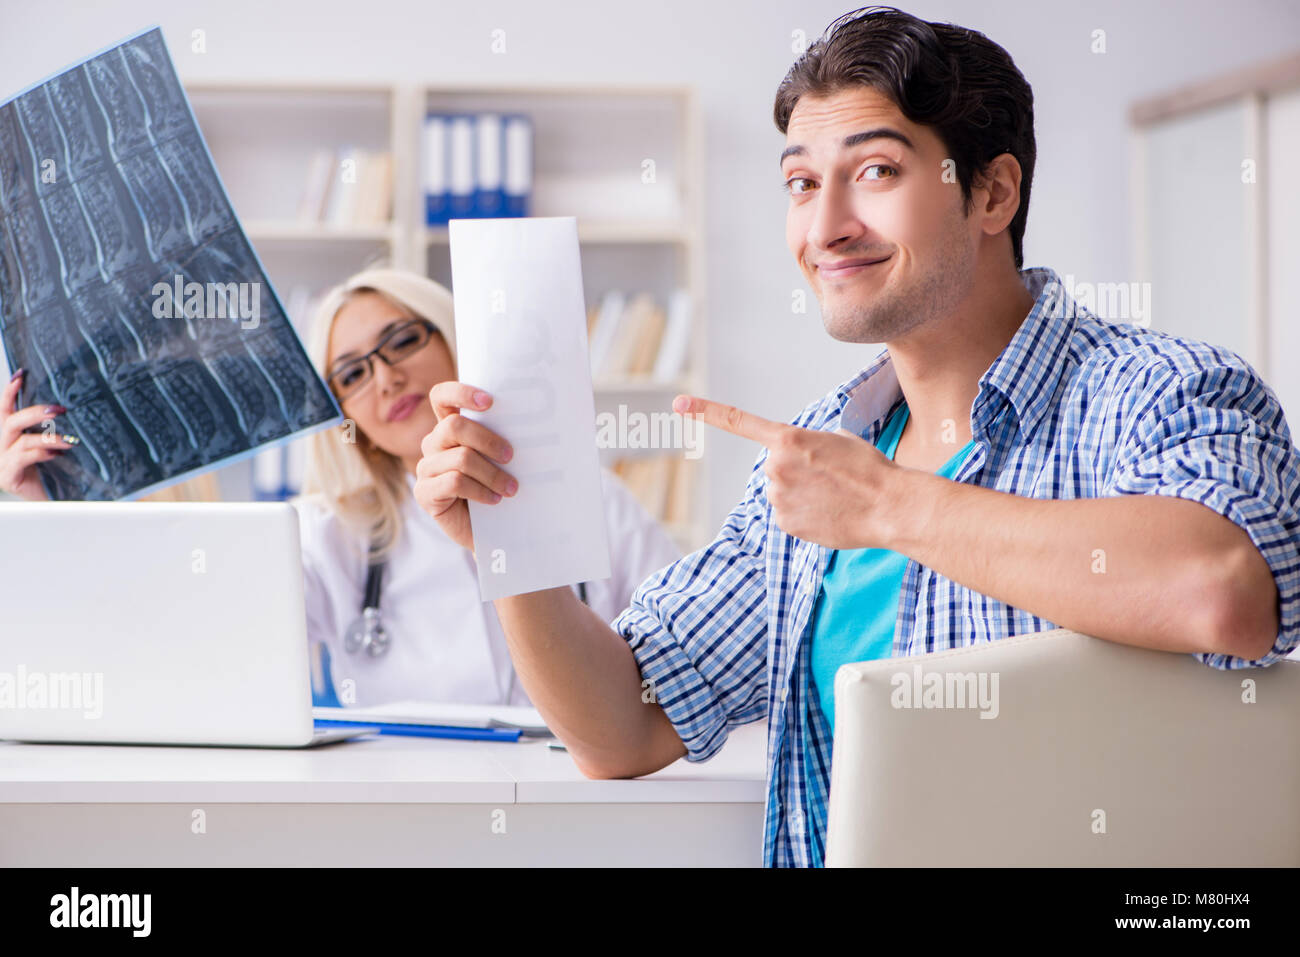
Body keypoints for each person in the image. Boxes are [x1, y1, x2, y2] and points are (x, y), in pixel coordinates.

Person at [410, 5, 1300, 867]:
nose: (824, 225)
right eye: (801, 182)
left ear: (991, 192)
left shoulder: (1160, 388)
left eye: (874, 171)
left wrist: (886, 505)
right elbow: (625, 725)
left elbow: (1221, 589)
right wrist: (511, 542)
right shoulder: (815, 454)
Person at [295, 267, 681, 707]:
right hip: (412, 776)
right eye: (351, 376)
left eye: (401, 342)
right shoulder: (326, 536)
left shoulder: (599, 500)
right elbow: (234, 644)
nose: (386, 379)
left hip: (572, 775)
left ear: (454, 338)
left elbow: (685, 657)